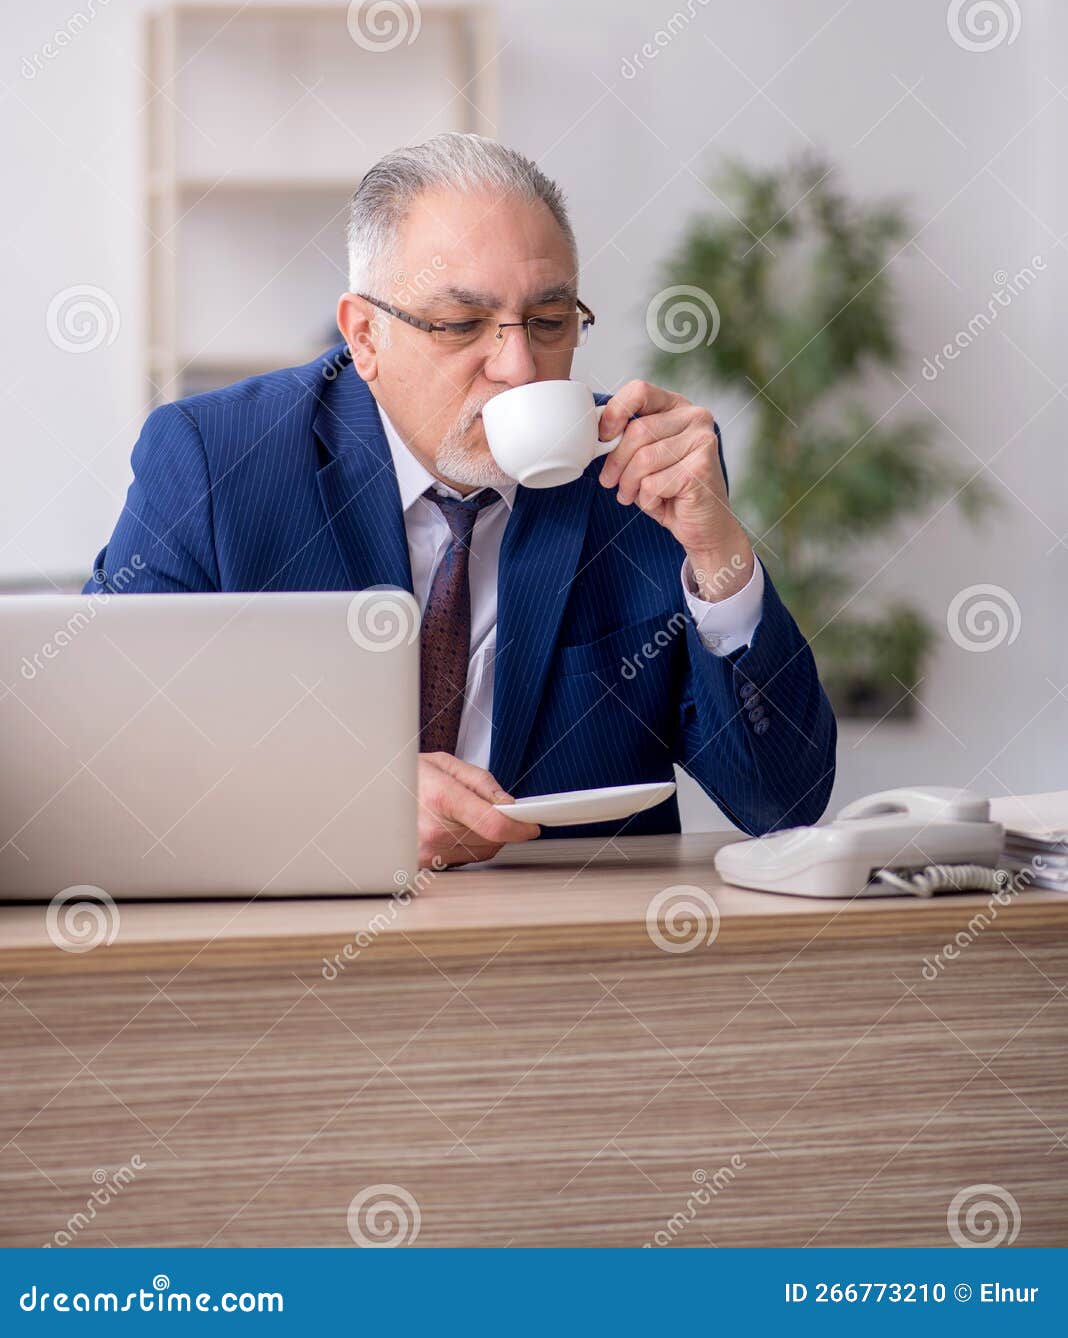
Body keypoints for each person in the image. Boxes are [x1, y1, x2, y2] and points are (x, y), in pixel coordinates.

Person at [85, 133, 836, 867]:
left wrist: (720, 560)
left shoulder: (641, 479)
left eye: (548, 322)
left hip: (572, 961)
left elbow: (782, 803)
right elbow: (105, 758)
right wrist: (351, 798)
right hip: (290, 947)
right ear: (365, 335)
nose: (517, 366)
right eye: (460, 325)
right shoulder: (216, 460)